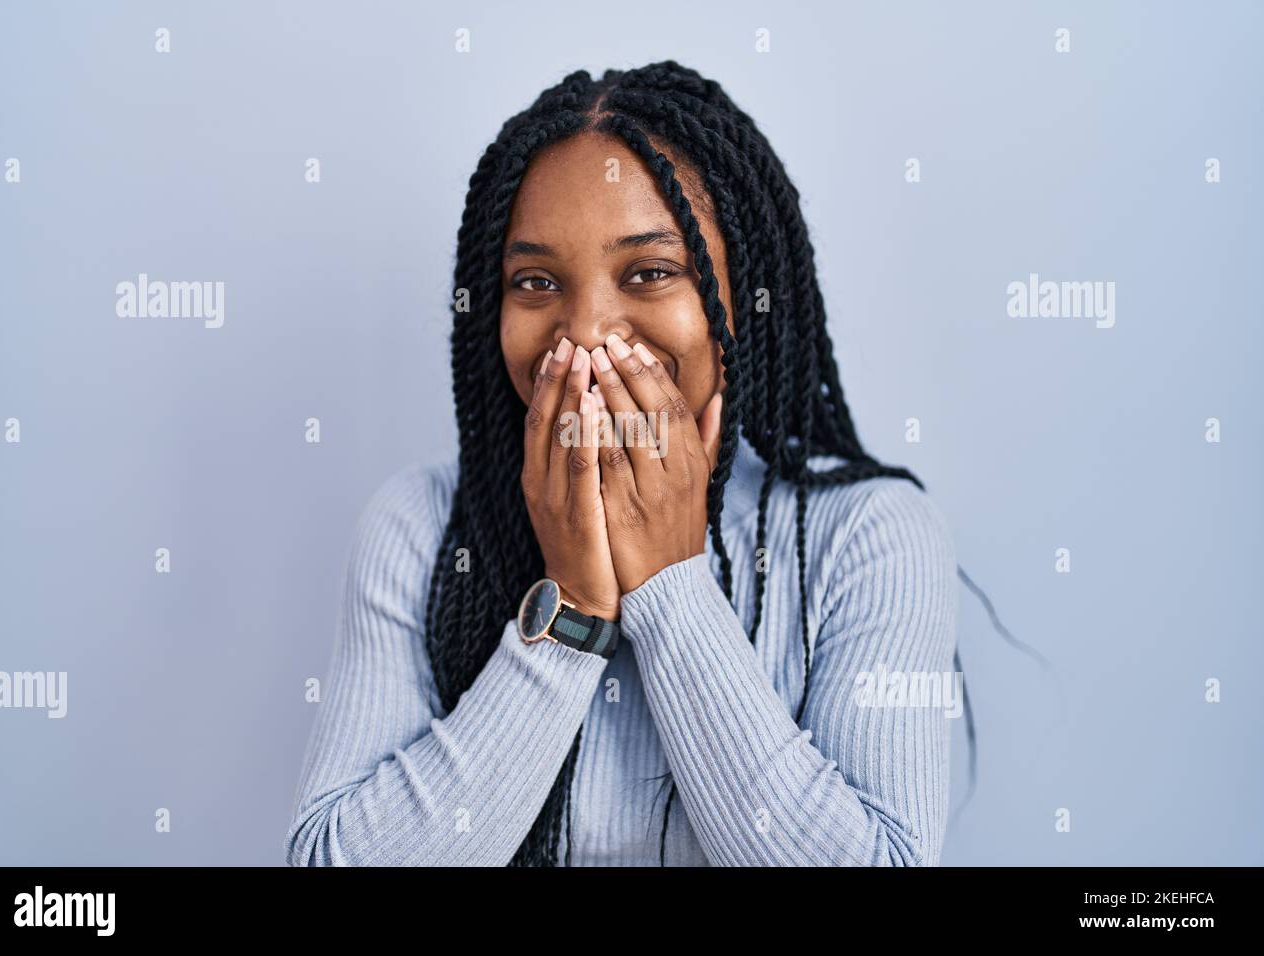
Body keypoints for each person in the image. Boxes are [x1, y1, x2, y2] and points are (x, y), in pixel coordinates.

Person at [285, 61, 963, 866]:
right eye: (536, 281)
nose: (585, 332)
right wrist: (571, 611)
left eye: (650, 273)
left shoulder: (869, 536)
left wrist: (669, 585)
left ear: (742, 298)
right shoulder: (421, 526)